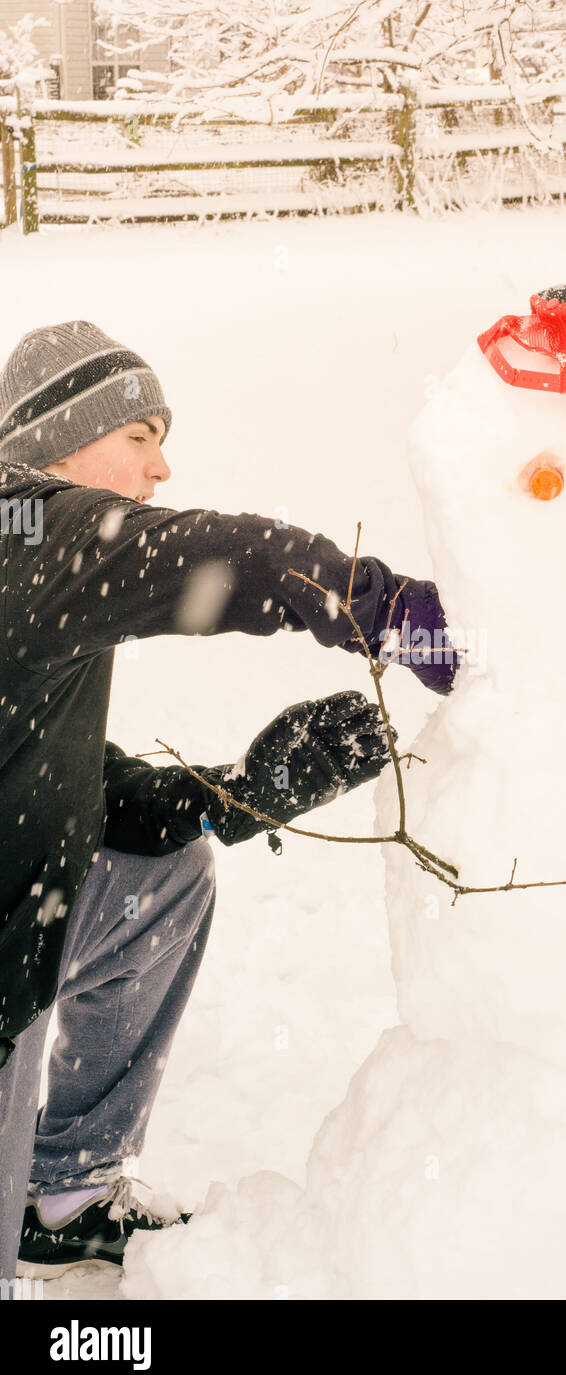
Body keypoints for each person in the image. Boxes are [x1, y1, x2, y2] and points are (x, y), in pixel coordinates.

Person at [0, 320, 458, 1283]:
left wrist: (229, 798)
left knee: (160, 881)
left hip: (20, 917)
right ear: (60, 436)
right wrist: (378, 608)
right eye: (141, 436)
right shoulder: (26, 527)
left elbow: (46, 771)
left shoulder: (27, 563)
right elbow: (220, 556)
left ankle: (70, 1193)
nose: (161, 468)